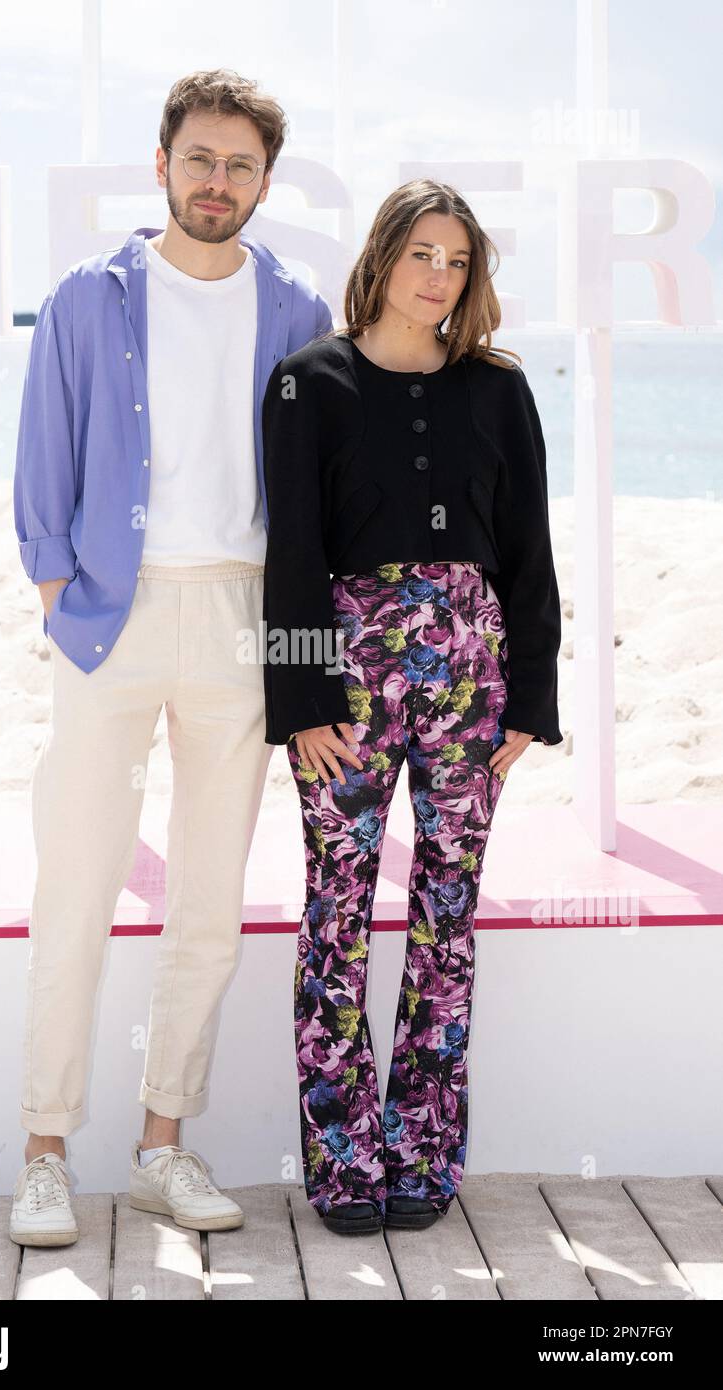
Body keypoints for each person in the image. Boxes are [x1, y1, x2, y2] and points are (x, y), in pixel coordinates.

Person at [9, 69, 333, 1246]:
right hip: (110, 616)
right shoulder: (88, 299)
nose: (217, 182)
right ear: (161, 164)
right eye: (199, 159)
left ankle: (162, 1143)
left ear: (264, 180)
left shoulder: (297, 306)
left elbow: (314, 494)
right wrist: (61, 593)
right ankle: (43, 1149)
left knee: (209, 897)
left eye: (241, 165)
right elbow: (43, 460)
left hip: (242, 622)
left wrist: (300, 649)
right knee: (78, 885)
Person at [261, 179, 563, 1237]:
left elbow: (527, 551)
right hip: (342, 685)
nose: (437, 276)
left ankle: (422, 1145)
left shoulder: (497, 388)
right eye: (421, 253)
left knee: (446, 913)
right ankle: (343, 1154)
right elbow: (290, 553)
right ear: (383, 254)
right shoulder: (308, 383)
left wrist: (530, 696)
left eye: (457, 261)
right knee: (334, 911)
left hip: (470, 684)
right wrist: (299, 700)